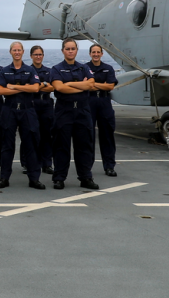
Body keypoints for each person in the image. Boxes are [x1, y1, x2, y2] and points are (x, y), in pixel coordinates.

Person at [0, 42, 45, 190]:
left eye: (19, 50)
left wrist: (14, 86)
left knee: (31, 145)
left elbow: (35, 88)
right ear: (10, 52)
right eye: (14, 50)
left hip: (27, 110)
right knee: (7, 145)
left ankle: (34, 179)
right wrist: (24, 88)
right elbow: (1, 91)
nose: (17, 52)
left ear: (23, 52)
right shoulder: (4, 71)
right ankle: (4, 178)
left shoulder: (30, 70)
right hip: (9, 110)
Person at [50, 38, 98, 190]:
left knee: (84, 145)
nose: (70, 51)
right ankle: (59, 178)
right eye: (67, 49)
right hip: (64, 111)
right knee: (61, 146)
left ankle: (85, 177)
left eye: (73, 49)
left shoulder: (84, 68)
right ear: (63, 51)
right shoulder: (56, 69)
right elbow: (59, 88)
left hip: (82, 111)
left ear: (76, 50)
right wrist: (82, 86)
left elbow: (91, 84)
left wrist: (69, 83)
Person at [87, 44, 118, 177]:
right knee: (88, 136)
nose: (96, 54)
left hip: (104, 102)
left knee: (107, 135)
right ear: (90, 54)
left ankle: (109, 166)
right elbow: (86, 86)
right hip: (89, 102)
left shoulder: (108, 68)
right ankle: (87, 167)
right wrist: (102, 85)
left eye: (98, 52)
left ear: (101, 54)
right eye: (93, 52)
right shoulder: (85, 68)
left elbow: (110, 86)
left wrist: (93, 84)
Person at [29, 46, 55, 175]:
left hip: (46, 104)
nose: (38, 57)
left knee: (47, 134)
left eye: (40, 54)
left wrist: (38, 86)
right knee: (30, 134)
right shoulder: (27, 70)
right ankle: (28, 163)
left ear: (43, 56)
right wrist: (44, 84)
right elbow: (28, 87)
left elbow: (52, 88)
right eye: (35, 54)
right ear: (31, 56)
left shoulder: (49, 71)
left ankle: (47, 164)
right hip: (31, 104)